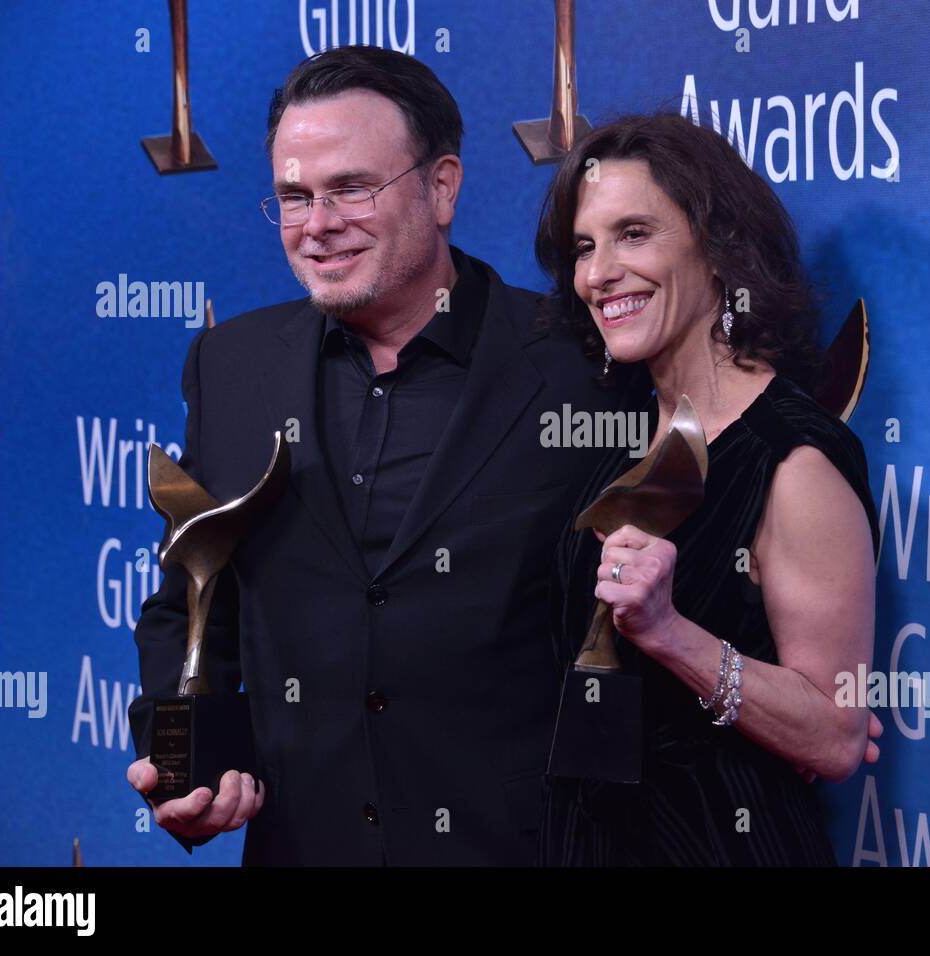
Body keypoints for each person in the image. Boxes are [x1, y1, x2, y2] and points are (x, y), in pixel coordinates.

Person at [124, 47, 640, 865]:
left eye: (351, 189)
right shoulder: (230, 366)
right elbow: (189, 600)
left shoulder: (583, 365)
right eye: (294, 197)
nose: (318, 225)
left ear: (442, 187)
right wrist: (184, 764)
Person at [534, 113, 884, 865]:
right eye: (584, 248)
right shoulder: (624, 429)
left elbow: (836, 735)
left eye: (635, 234)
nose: (599, 274)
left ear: (720, 248)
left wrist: (670, 633)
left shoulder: (794, 459)